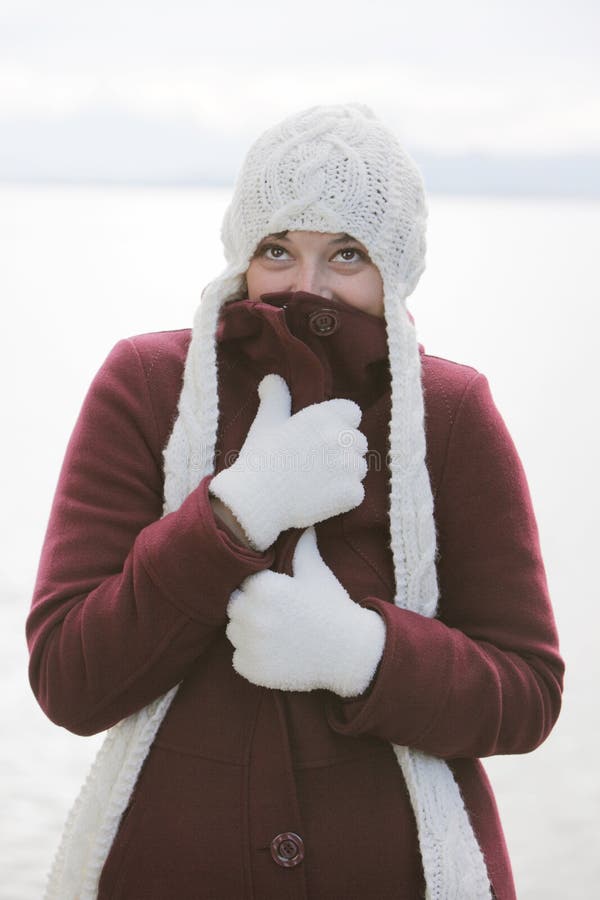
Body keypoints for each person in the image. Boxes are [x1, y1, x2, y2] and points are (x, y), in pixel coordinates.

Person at [27, 104, 564, 900]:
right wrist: (234, 515)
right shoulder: (147, 386)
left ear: (395, 267)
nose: (307, 287)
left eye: (348, 253)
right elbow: (70, 680)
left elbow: (526, 694)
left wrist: (363, 655)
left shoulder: (450, 412)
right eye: (277, 248)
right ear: (241, 254)